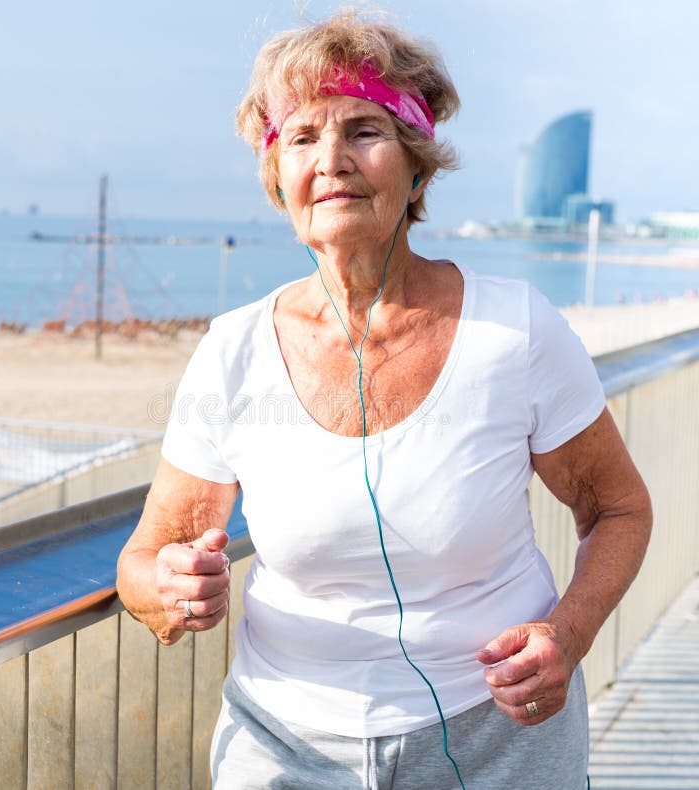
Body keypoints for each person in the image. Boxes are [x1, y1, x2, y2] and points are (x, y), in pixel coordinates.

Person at [116, 11, 652, 789]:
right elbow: (143, 559)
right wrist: (166, 588)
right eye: (301, 138)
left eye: (364, 131)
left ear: (418, 167)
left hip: (500, 739)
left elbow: (619, 510)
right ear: (279, 178)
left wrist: (566, 636)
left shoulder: (516, 329)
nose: (331, 161)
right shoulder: (230, 353)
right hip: (282, 748)